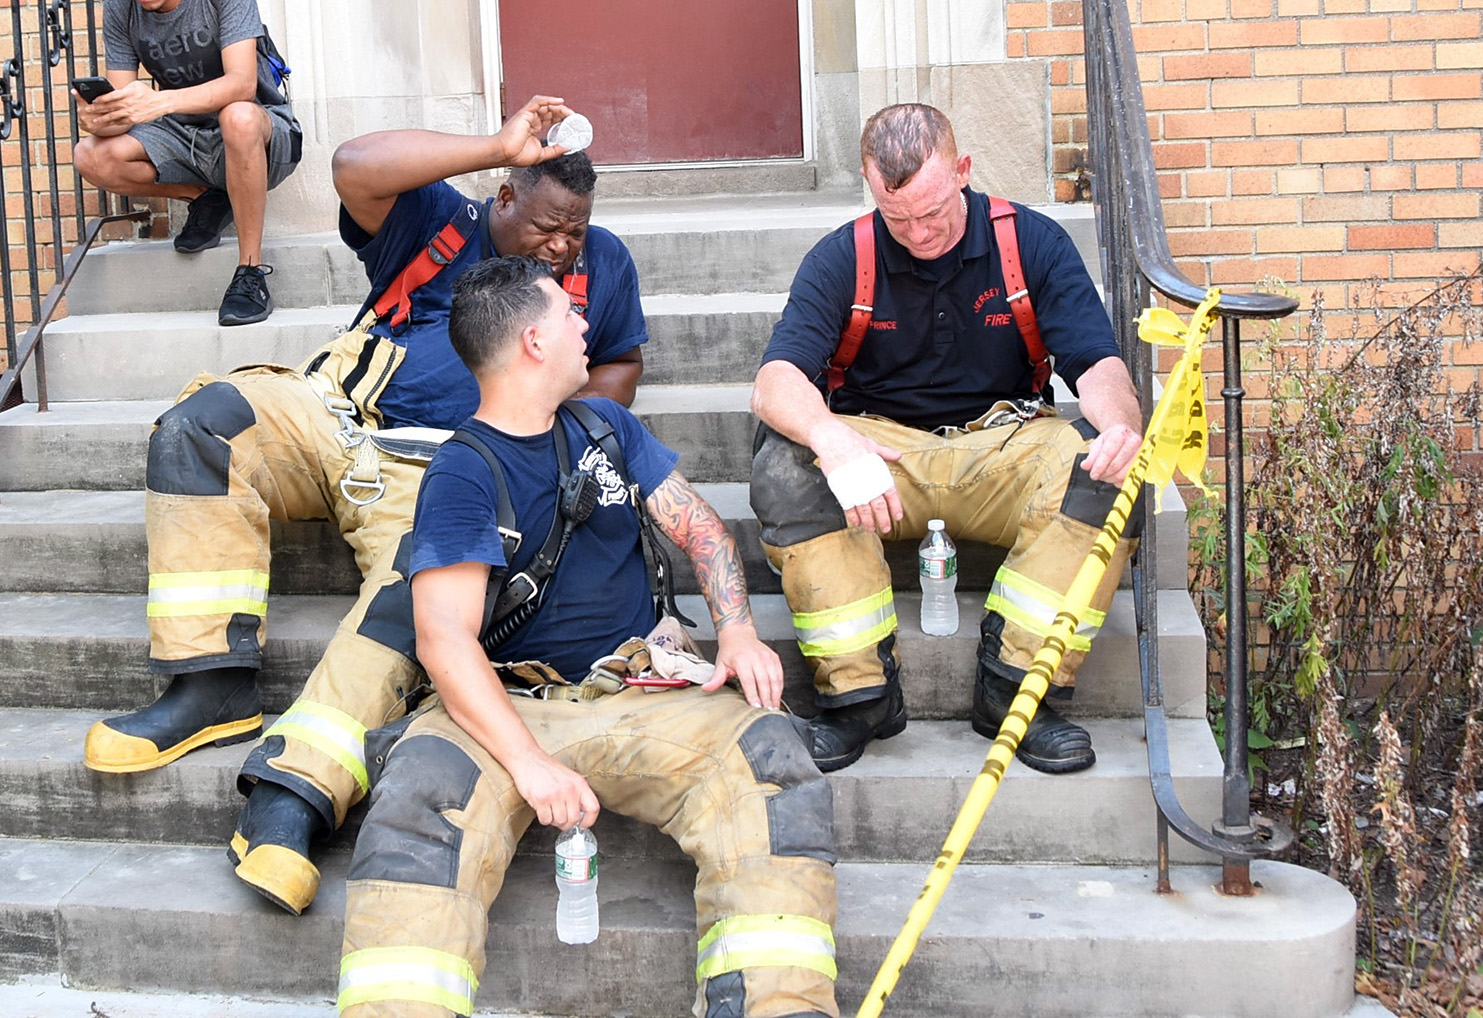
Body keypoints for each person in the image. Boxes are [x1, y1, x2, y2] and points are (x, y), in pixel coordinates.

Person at [81, 96, 651, 917]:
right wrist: (494, 142)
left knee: (425, 586)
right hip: (337, 416)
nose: (563, 246)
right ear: (503, 197)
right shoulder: (438, 218)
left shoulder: (602, 264)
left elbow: (620, 367)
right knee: (202, 425)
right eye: (548, 226)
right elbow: (351, 166)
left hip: (448, 471)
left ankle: (294, 793)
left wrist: (549, 435)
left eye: (576, 228)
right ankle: (209, 684)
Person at [336, 255, 838, 1018]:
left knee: (770, 768)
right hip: (509, 708)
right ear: (534, 341)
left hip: (643, 691)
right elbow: (444, 643)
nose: (584, 323)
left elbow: (696, 525)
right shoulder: (462, 474)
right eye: (569, 313)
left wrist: (736, 630)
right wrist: (530, 763)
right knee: (415, 809)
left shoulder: (608, 425)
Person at [749, 102, 1143, 775]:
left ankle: (1016, 690)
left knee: (1105, 473)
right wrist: (830, 438)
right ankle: (858, 697)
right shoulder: (844, 257)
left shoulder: (1033, 244)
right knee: (787, 463)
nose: (918, 233)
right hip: (883, 459)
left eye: (931, 213)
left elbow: (1098, 364)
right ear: (872, 191)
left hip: (1003, 443)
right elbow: (774, 382)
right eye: (896, 217)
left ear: (962, 170)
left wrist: (1120, 426)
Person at [73, 0, 303, 326]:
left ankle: (250, 272)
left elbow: (242, 84)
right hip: (186, 135)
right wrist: (97, 119)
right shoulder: (121, 7)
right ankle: (205, 197)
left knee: (237, 116)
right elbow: (123, 115)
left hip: (259, 132)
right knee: (91, 156)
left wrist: (160, 101)